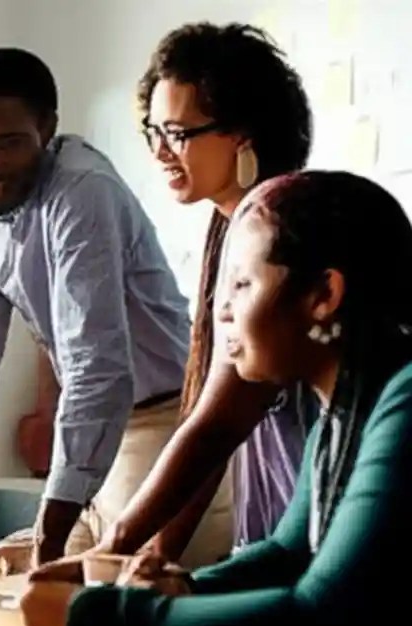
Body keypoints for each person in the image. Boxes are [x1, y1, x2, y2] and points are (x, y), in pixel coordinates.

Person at [21, 171, 412, 626]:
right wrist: (185, 588)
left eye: (242, 285)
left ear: (323, 294)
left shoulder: (403, 398)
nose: (222, 310)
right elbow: (286, 554)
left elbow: (330, 622)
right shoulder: (345, 409)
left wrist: (92, 616)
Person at [0, 48, 229, 567]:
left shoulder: (82, 192)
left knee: (107, 591)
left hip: (161, 426)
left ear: (47, 128)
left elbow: (97, 367)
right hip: (90, 429)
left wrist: (50, 535)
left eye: (8, 142)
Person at [70, 23, 316, 563]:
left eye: (178, 134)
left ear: (242, 133)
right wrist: (154, 557)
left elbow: (215, 428)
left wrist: (121, 550)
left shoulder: (280, 231)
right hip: (280, 535)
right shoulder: (232, 228)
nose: (160, 152)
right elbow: (211, 426)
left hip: (321, 533)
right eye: (153, 132)